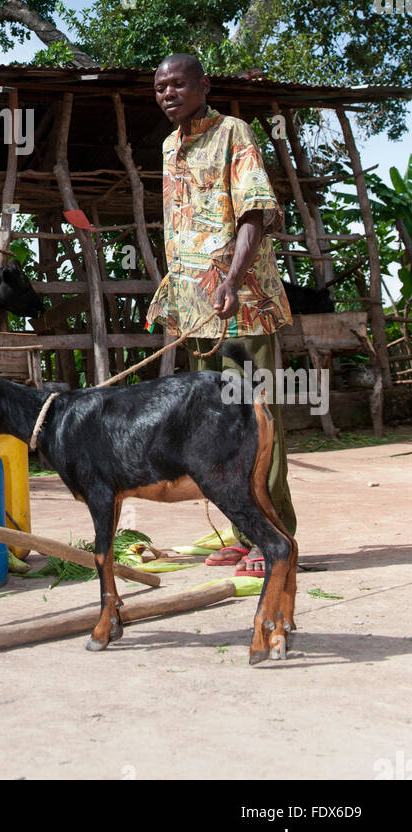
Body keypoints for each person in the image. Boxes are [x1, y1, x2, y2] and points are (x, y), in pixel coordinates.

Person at [145, 53, 296, 576]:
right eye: (161, 87)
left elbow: (254, 212)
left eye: (179, 84)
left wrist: (231, 279)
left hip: (242, 305)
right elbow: (182, 232)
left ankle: (274, 537)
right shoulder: (168, 147)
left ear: (204, 85)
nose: (168, 93)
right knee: (213, 429)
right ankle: (240, 530)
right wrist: (176, 299)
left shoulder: (235, 132)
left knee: (255, 421)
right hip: (196, 312)